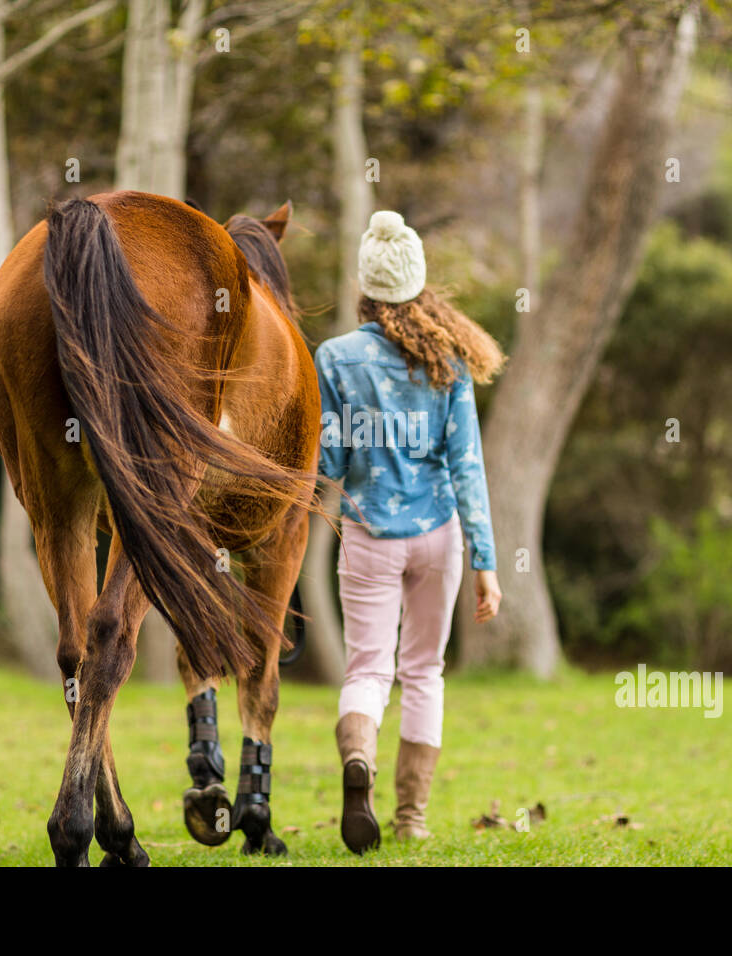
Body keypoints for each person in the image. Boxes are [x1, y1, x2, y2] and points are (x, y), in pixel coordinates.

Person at [314, 210, 506, 854]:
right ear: (419, 286)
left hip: (369, 533)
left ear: (364, 288)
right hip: (439, 536)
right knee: (424, 672)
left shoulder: (336, 358)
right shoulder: (447, 360)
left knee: (368, 667)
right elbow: (466, 464)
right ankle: (412, 818)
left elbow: (331, 462)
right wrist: (486, 562)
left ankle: (357, 760)